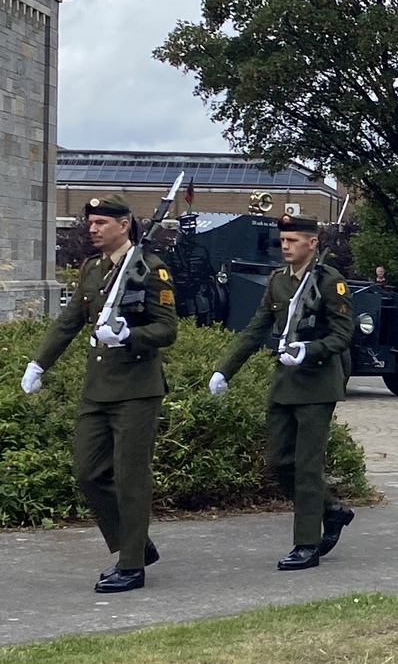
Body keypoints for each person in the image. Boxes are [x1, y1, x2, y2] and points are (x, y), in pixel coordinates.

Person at [22, 195, 176, 593]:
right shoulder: (93, 268)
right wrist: (39, 363)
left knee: (130, 478)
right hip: (97, 389)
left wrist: (128, 335)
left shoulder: (150, 268)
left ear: (124, 225)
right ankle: (135, 541)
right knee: (88, 473)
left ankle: (131, 566)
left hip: (136, 389)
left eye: (101, 222)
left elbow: (167, 329)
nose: (92, 228)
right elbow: (69, 321)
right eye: (90, 222)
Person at [211, 210, 354, 571]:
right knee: (279, 461)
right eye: (283, 240)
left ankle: (306, 544)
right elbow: (256, 328)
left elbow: (342, 334)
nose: (285, 246)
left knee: (307, 466)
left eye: (293, 240)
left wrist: (310, 350)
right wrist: (225, 370)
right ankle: (332, 509)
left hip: (318, 385)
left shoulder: (329, 281)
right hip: (285, 384)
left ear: (312, 242)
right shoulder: (278, 281)